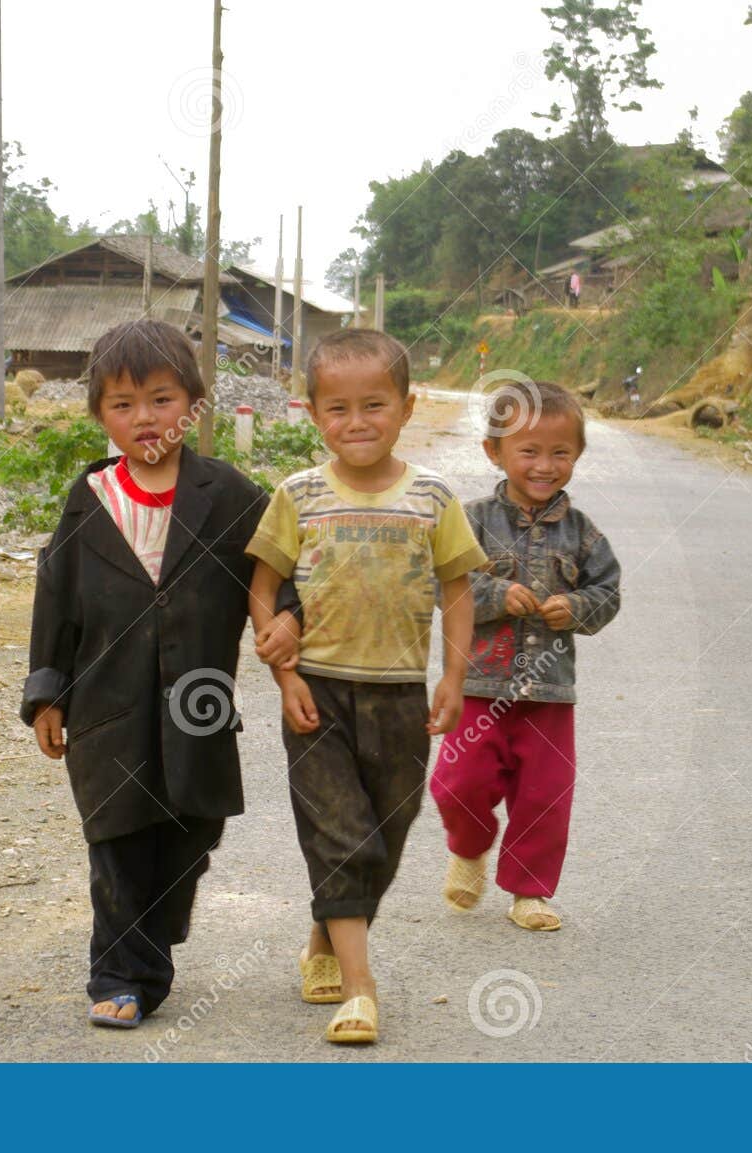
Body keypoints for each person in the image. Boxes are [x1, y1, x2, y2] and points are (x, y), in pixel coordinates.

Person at [20, 318, 298, 1030]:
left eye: (161, 398)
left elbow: (274, 575)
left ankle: (153, 930)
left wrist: (285, 618)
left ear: (194, 403)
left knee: (190, 833)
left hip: (197, 707)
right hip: (105, 707)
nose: (144, 418)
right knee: (116, 838)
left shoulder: (231, 494)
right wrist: (47, 692)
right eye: (122, 403)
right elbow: (56, 600)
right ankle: (119, 971)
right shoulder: (89, 500)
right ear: (99, 414)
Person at [247, 328, 486, 1044]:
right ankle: (361, 988)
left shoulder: (435, 498)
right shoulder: (298, 494)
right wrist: (282, 671)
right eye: (339, 408)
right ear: (313, 413)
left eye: (374, 405)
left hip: (401, 695)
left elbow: (459, 589)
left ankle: (325, 937)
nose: (357, 423)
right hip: (317, 694)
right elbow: (261, 589)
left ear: (407, 407)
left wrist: (453, 674)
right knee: (342, 834)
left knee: (385, 833)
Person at [429, 378, 620, 932]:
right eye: (529, 451)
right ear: (496, 452)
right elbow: (443, 582)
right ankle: (469, 848)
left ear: (577, 455)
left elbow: (608, 593)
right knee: (456, 783)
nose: (545, 465)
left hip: (549, 694)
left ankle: (529, 891)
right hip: (478, 684)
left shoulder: (585, 536)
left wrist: (578, 607)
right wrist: (492, 595)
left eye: (560, 453)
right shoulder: (468, 522)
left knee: (545, 796)